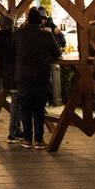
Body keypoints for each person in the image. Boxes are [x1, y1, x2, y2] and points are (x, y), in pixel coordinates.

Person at [14, 8, 60, 149]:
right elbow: (57, 53)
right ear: (40, 21)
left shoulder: (18, 34)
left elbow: (12, 51)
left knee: (25, 108)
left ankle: (27, 139)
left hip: (23, 75)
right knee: (39, 109)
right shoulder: (47, 35)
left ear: (27, 20)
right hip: (41, 75)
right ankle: (39, 140)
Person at [0, 14, 21, 142]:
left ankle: (18, 130)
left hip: (5, 73)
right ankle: (13, 132)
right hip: (15, 73)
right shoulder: (12, 37)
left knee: (16, 102)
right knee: (16, 102)